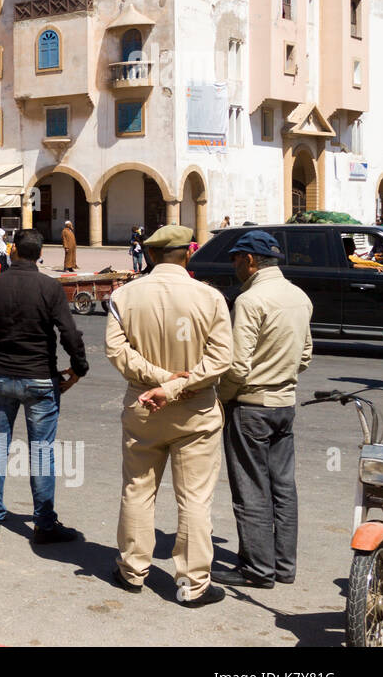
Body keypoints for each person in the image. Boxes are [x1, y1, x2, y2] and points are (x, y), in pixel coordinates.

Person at [104, 224, 233, 607]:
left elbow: (117, 351)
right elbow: (221, 358)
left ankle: (131, 570)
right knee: (194, 499)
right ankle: (193, 585)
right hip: (195, 409)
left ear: (151, 255)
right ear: (187, 254)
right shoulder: (209, 297)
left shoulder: (124, 295)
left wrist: (159, 382)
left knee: (138, 489)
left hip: (144, 404)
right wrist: (174, 385)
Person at [0, 229, 88, 542]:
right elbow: (69, 333)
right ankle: (44, 522)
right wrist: (79, 367)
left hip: (1, 377)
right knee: (42, 452)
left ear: (13, 249)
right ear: (40, 253)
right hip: (41, 379)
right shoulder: (50, 287)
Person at [213, 231, 313, 589]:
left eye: (236, 259)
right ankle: (284, 566)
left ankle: (257, 569)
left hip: (252, 406)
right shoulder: (299, 297)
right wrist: (280, 375)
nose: (234, 265)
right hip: (285, 404)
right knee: (283, 487)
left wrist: (222, 398)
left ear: (250, 261)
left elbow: (237, 367)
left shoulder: (250, 300)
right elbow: (304, 355)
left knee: (252, 490)